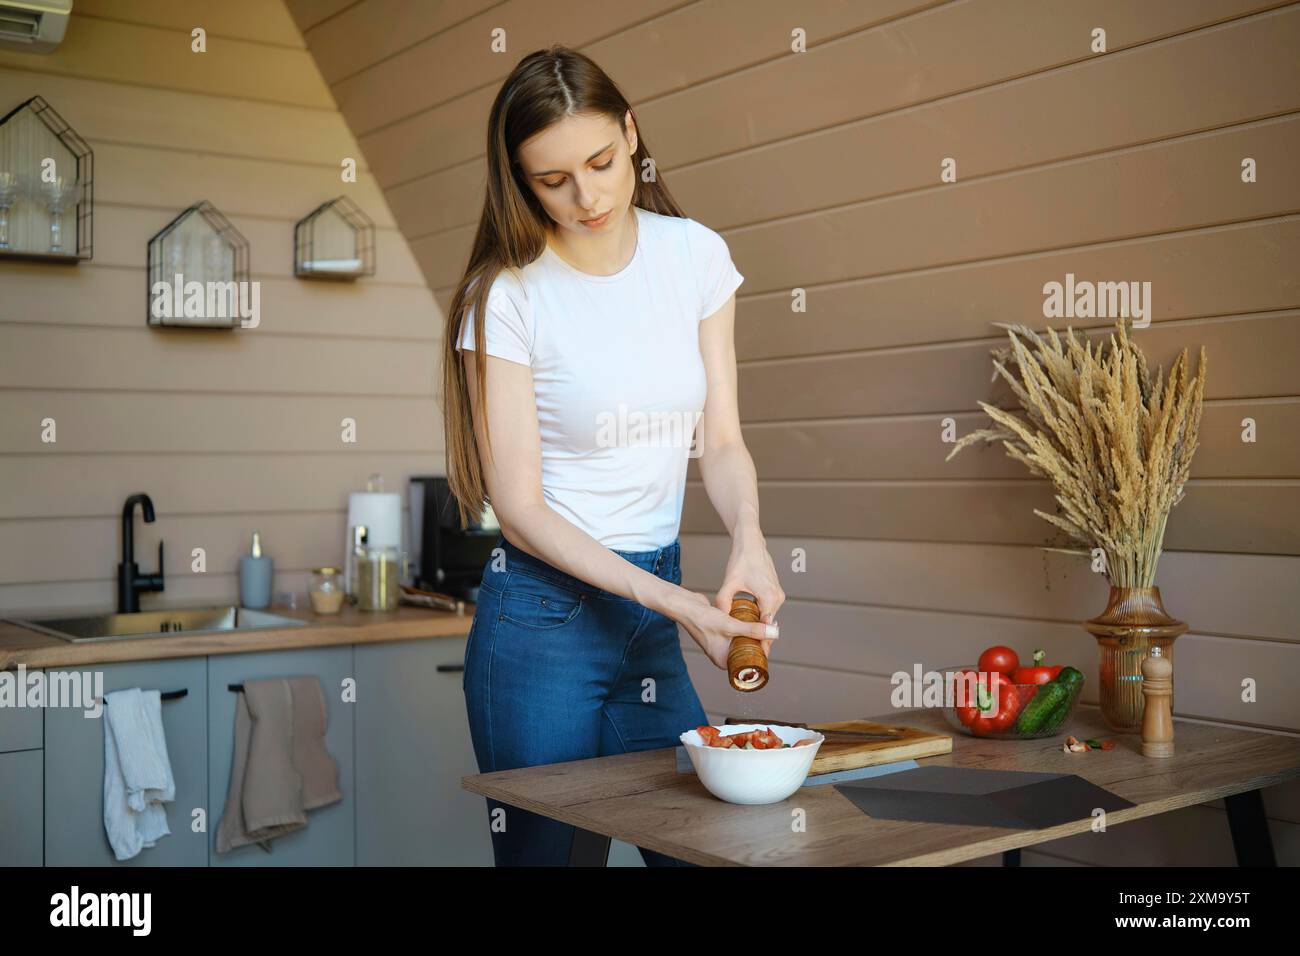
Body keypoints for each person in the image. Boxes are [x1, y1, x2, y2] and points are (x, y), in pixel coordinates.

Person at [442, 45, 785, 867]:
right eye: (552, 179)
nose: (586, 195)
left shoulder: (695, 256)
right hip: (540, 624)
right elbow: (520, 511)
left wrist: (750, 541)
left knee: (704, 848)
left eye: (600, 162)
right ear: (519, 180)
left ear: (631, 134)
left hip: (651, 616)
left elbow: (725, 440)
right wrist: (678, 604)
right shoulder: (507, 295)